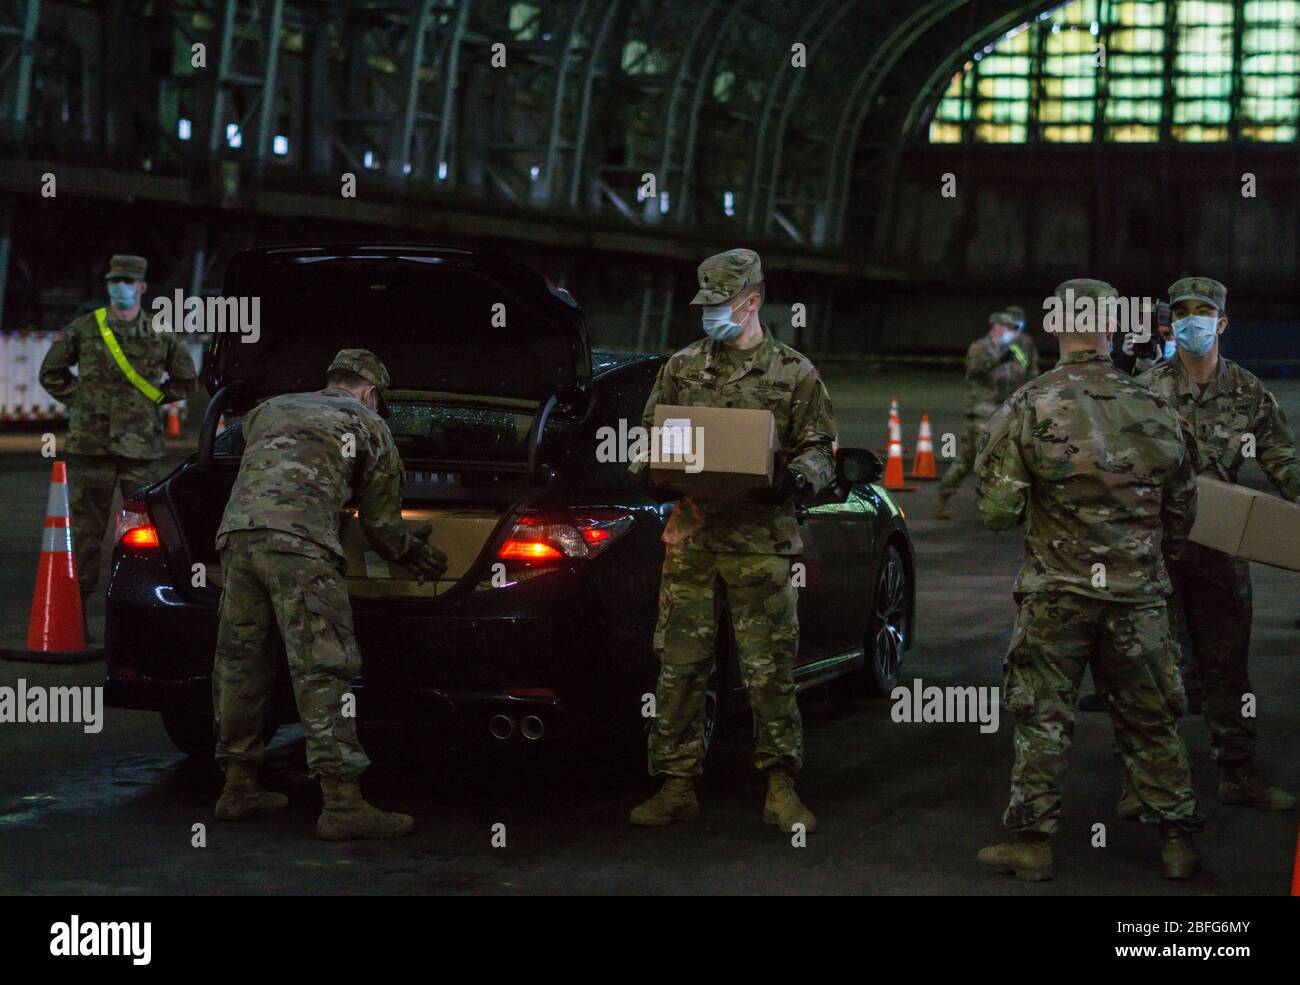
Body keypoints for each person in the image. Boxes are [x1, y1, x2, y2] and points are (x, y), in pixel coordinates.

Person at [975, 279, 1203, 881]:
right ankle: (1176, 840)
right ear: (1111, 328)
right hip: (1138, 595)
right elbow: (1182, 508)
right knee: (1151, 717)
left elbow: (996, 511)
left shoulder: (1029, 404)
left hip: (1058, 592)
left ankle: (1032, 843)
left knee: (1043, 718)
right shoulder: (1155, 404)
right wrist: (1154, 557)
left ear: (1055, 327)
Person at [627, 249, 837, 833]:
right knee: (679, 667)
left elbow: (820, 447)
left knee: (770, 669)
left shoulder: (794, 372)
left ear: (751, 301)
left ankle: (780, 785)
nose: (710, 315)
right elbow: (648, 433)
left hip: (762, 545)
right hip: (692, 540)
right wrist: (649, 465)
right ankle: (675, 784)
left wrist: (796, 478)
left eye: (720, 304)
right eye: (705, 305)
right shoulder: (683, 366)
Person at [211, 349, 448, 840]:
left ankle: (238, 787)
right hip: (301, 546)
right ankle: (342, 804)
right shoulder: (368, 424)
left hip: (237, 538)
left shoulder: (270, 408)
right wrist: (415, 556)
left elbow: (238, 460)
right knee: (323, 668)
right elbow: (382, 525)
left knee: (240, 662)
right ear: (371, 392)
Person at [1139, 277, 1300, 812]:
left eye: (1201, 311)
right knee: (1148, 665)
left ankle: (1236, 771)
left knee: (1227, 666)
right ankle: (1143, 782)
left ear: (1222, 323)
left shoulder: (1250, 392)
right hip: (1156, 551)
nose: (1190, 320)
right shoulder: (1146, 388)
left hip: (1220, 550)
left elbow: (1284, 463)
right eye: (1180, 311)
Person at [39, 255, 197, 606]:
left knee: (147, 528)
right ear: (108, 286)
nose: (120, 288)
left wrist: (152, 398)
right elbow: (51, 372)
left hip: (140, 447)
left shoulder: (160, 332)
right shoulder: (84, 327)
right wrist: (81, 398)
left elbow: (186, 380)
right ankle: (75, 606)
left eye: (127, 281)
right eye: (114, 281)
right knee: (85, 530)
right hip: (89, 445)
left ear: (141, 287)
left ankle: (139, 599)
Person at [934, 311, 1036, 519]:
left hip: (1005, 411)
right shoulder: (979, 347)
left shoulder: (1015, 348)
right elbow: (975, 369)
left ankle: (1000, 505)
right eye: (1009, 329)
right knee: (972, 459)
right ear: (997, 327)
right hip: (981, 412)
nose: (1013, 333)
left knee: (1004, 458)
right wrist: (998, 359)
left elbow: (1027, 371)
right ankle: (945, 497)